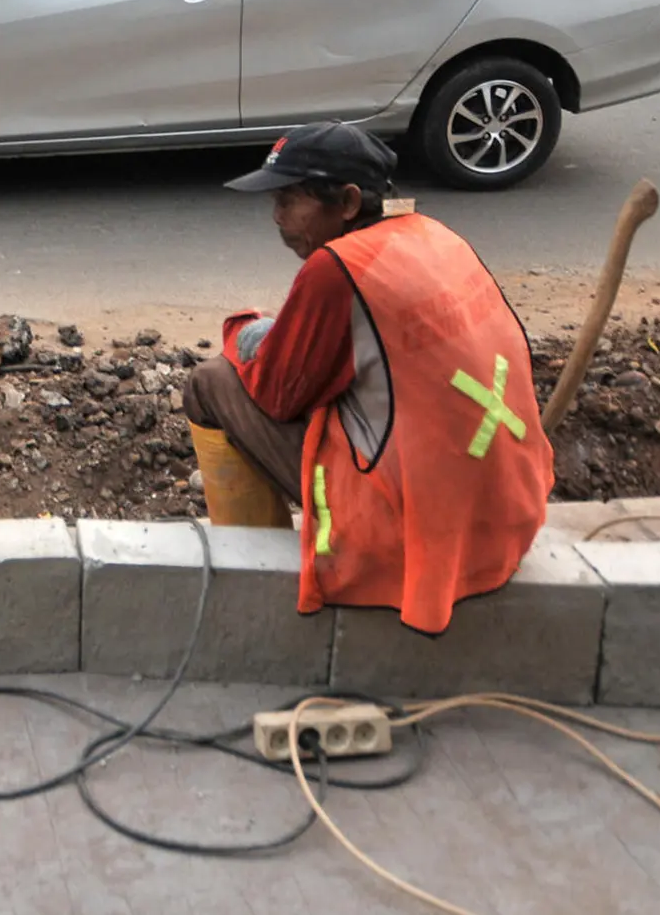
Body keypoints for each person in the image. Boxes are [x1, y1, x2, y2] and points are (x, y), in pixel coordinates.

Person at [180, 122, 554, 635]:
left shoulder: (336, 267)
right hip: (507, 515)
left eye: (291, 199)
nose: (277, 216)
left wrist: (245, 330)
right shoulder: (437, 235)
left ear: (349, 202)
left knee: (210, 382)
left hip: (408, 535)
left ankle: (252, 560)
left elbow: (276, 394)